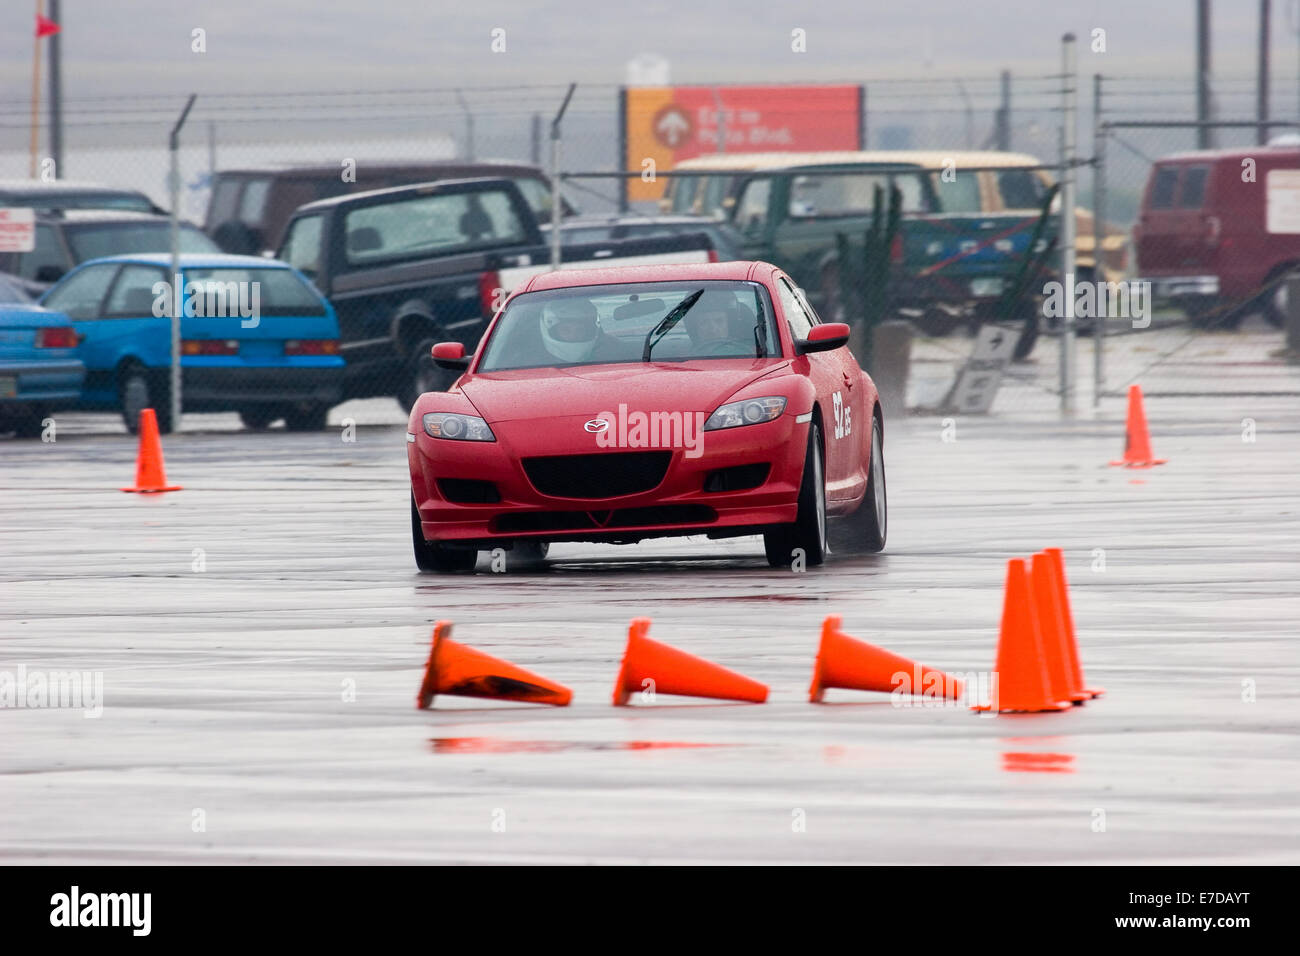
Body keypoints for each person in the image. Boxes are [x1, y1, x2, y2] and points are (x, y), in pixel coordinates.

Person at [540, 298, 621, 365]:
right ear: (554, 332)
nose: (573, 336)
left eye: (579, 330)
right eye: (566, 330)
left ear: (588, 331)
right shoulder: (536, 359)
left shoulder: (612, 349)